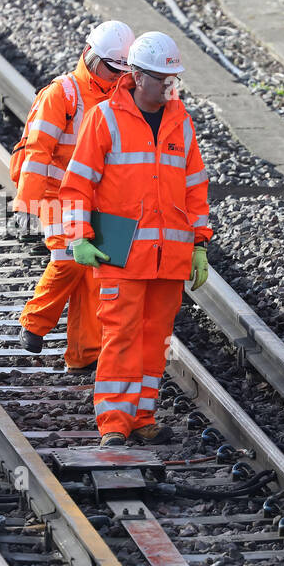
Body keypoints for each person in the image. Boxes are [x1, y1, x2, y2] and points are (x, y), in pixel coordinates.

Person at [58, 31, 211, 447]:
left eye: (173, 78)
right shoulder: (104, 118)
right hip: (121, 250)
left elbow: (195, 186)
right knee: (120, 338)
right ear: (138, 76)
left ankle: (142, 417)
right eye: (163, 78)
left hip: (170, 255)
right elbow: (77, 187)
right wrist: (80, 237)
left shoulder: (181, 120)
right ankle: (113, 423)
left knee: (154, 340)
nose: (170, 86)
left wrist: (199, 243)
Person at [15, 20, 135, 373]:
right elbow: (38, 150)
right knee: (68, 259)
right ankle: (35, 321)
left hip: (98, 199)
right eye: (110, 69)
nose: (114, 77)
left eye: (120, 72)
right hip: (56, 194)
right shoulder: (62, 93)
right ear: (90, 55)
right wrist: (27, 203)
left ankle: (83, 357)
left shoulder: (122, 95)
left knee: (94, 276)